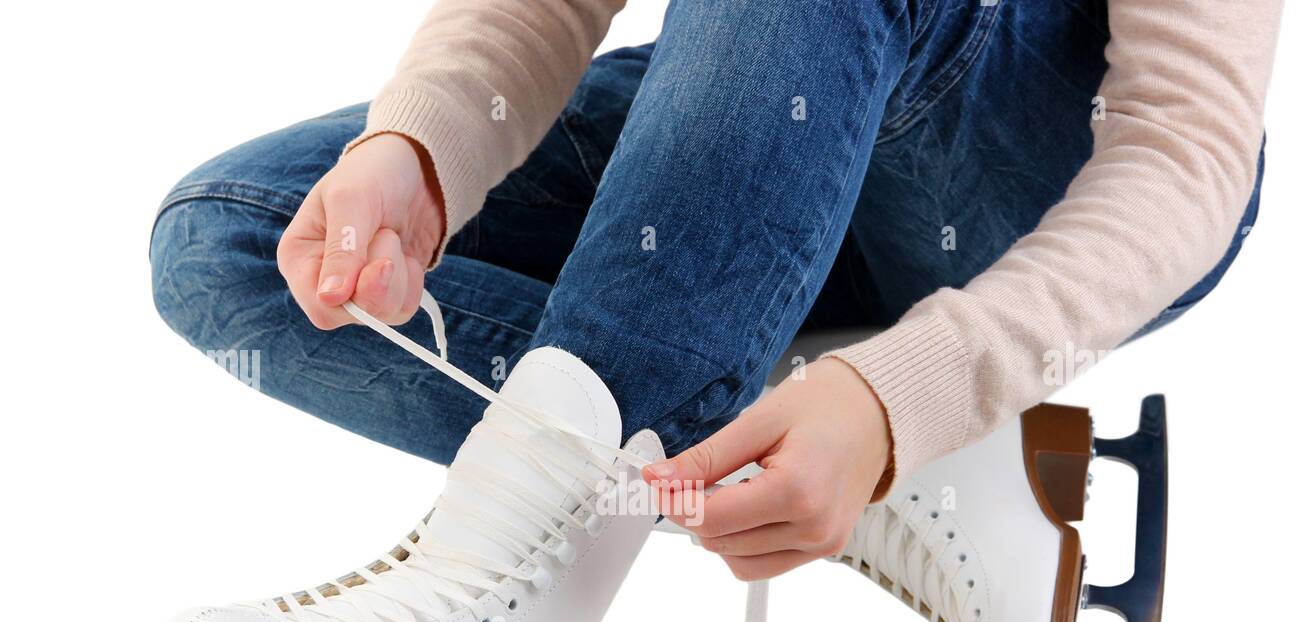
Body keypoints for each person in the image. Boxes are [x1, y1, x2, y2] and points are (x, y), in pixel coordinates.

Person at [151, 0, 1278, 577]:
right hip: (794, 92)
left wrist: (913, 391)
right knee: (229, 242)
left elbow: (1190, 151)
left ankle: (503, 592)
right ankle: (797, 456)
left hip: (1023, 184)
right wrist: (421, 151)